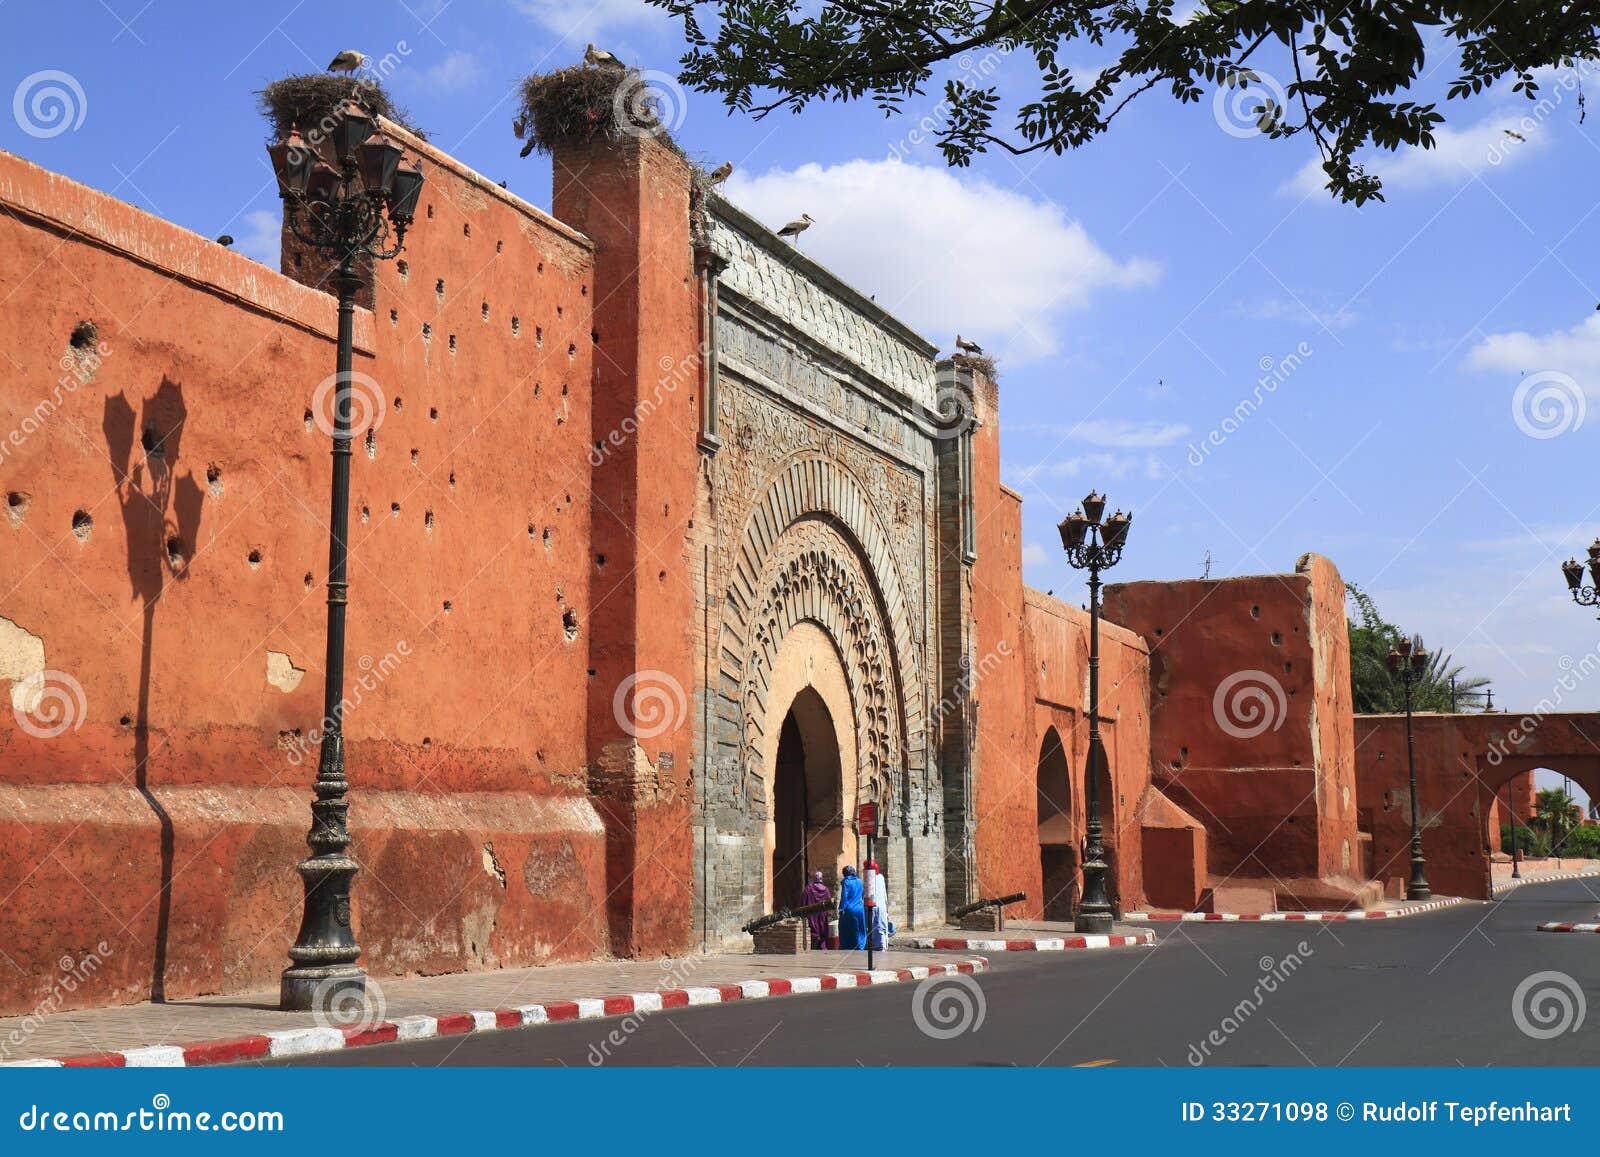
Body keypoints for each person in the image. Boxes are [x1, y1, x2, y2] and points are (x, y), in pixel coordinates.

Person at [837, 865, 867, 950]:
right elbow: (862, 894)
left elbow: (844, 897)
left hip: (849, 909)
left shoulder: (846, 882)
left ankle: (848, 946)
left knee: (847, 929)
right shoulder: (860, 881)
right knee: (860, 929)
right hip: (860, 909)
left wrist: (841, 909)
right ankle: (860, 946)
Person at [802, 870, 831, 949]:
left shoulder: (808, 888)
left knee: (813, 929)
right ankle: (822, 946)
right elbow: (829, 903)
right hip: (822, 914)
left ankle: (813, 945)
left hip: (812, 914)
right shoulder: (826, 890)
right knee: (822, 930)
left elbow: (803, 902)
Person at [866, 859, 890, 951]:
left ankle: (877, 945)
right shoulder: (881, 877)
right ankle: (882, 945)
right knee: (881, 925)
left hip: (872, 905)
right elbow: (884, 894)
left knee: (873, 926)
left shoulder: (869, 878)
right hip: (881, 906)